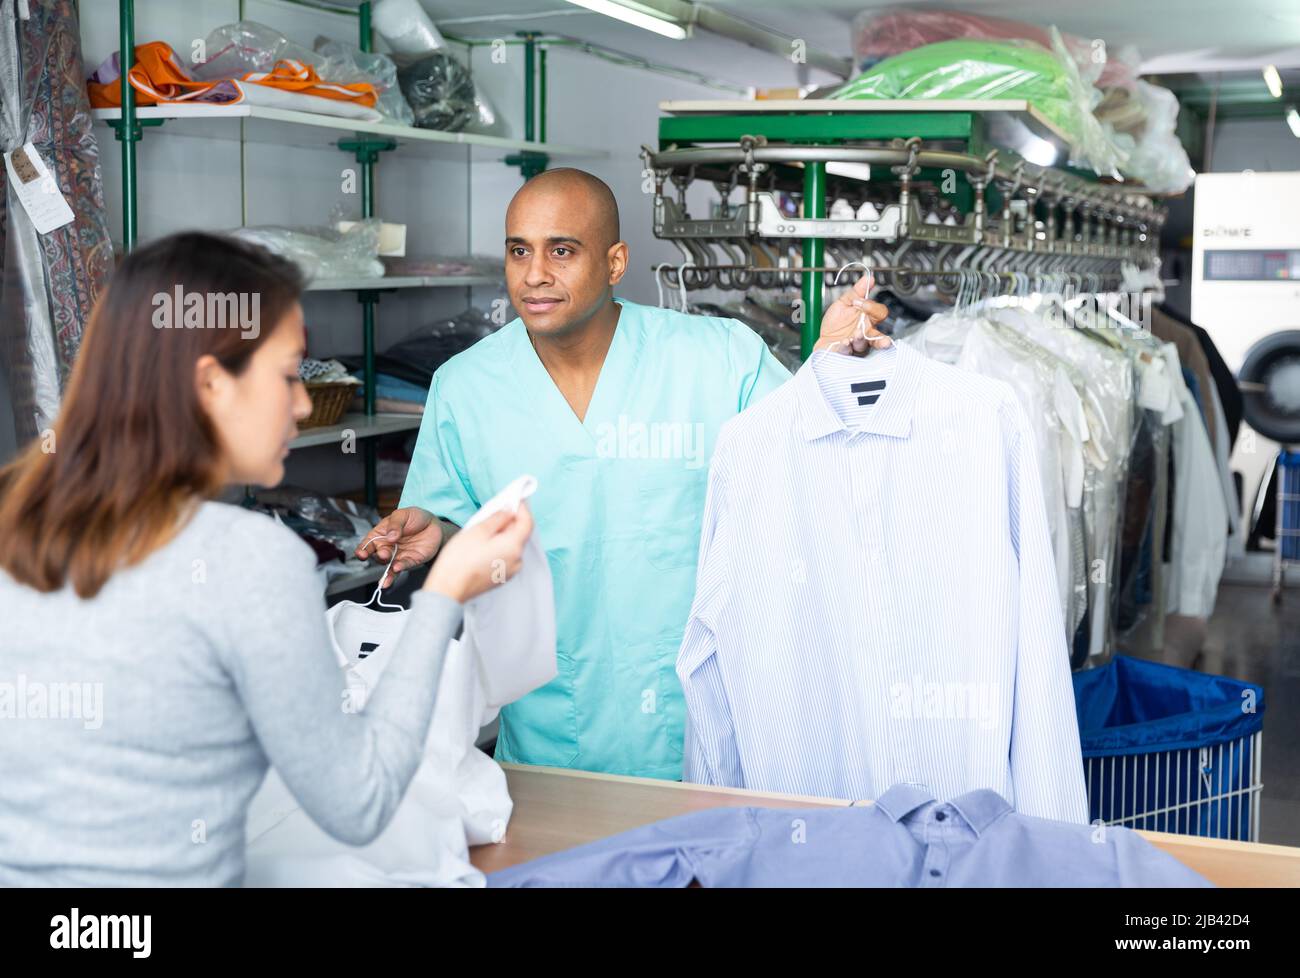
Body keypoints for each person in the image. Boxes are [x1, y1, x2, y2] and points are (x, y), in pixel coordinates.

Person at [0, 232, 533, 886]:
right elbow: (360, 801)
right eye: (288, 376)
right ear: (210, 384)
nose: (306, 404)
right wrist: (444, 591)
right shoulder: (245, 557)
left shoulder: (15, 526)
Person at [358, 168, 888, 779]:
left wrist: (829, 366)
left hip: (707, 717)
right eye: (518, 251)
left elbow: (808, 465)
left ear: (614, 263)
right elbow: (458, 523)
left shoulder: (719, 357)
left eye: (562, 251)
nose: (534, 275)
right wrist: (438, 531)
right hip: (549, 727)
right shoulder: (466, 386)